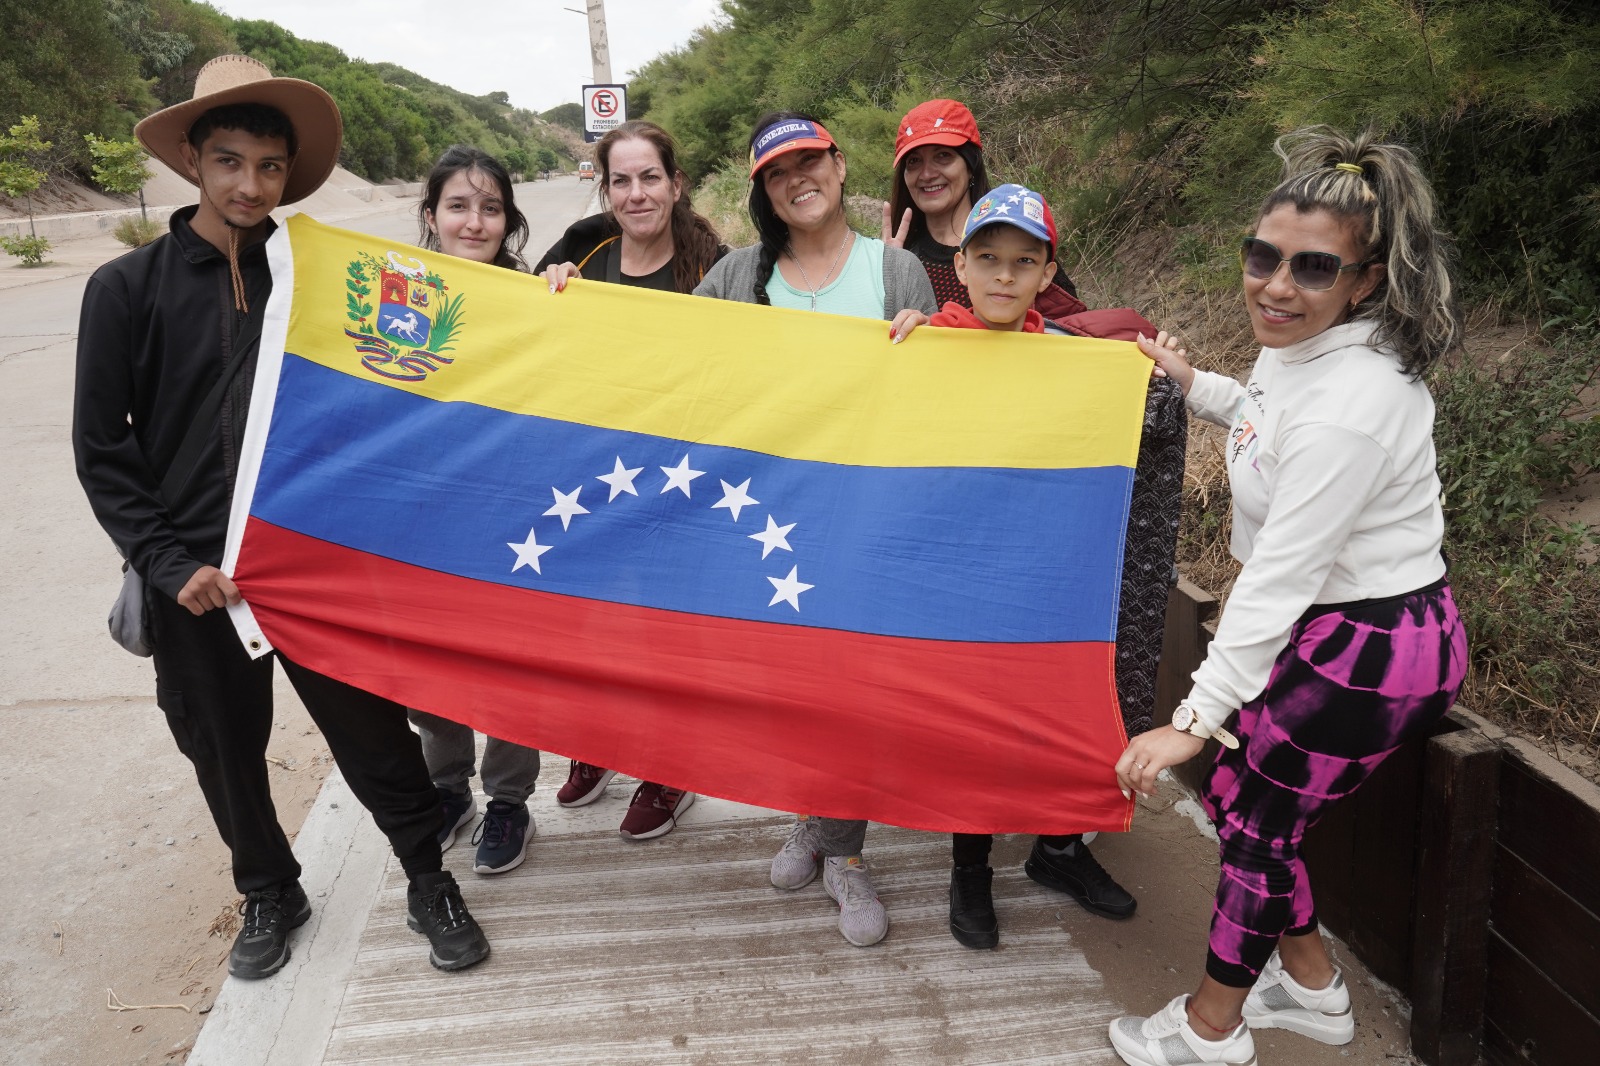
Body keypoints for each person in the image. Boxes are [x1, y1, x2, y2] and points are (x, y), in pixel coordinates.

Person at [73, 55, 490, 978]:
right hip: (192, 574)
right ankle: (269, 888)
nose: (250, 186)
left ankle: (427, 875)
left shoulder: (320, 277)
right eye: (229, 162)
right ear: (192, 160)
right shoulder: (125, 290)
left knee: (375, 729)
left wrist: (537, 302)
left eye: (268, 167)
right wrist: (166, 562)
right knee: (221, 747)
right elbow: (103, 451)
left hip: (310, 560)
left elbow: (443, 342)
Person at [1107, 127, 1469, 1066]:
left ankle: (1210, 1030)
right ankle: (1311, 987)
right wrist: (1199, 387)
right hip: (1342, 630)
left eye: (1313, 268)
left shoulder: (1358, 403)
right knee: (1243, 805)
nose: (1275, 285)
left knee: (1256, 823)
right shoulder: (1307, 349)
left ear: (1367, 280)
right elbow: (1271, 409)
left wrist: (1191, 717)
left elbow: (1280, 577)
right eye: (1262, 255)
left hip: (1371, 644)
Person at [891, 184, 1182, 949]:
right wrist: (908, 340)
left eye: (1023, 263)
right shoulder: (927, 342)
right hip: (960, 576)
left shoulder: (1068, 356)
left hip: (1043, 577)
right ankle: (970, 869)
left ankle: (1059, 850)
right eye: (987, 259)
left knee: (1058, 709)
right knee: (973, 731)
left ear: (1046, 271)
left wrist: (1157, 383)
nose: (1003, 276)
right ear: (961, 263)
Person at [695, 111, 938, 948]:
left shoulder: (896, 268)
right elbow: (658, 353)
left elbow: (942, 391)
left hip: (868, 519)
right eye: (776, 172)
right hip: (766, 520)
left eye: (810, 162)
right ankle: (814, 819)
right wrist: (559, 296)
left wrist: (929, 343)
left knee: (854, 691)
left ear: (839, 168)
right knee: (791, 688)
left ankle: (846, 853)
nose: (798, 179)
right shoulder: (734, 276)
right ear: (762, 190)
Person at [537, 120, 728, 840]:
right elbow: (529, 338)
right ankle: (604, 743)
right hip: (595, 473)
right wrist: (548, 294)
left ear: (676, 184)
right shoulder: (581, 253)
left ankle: (670, 767)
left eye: (650, 177)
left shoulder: (720, 268)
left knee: (668, 629)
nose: (636, 193)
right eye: (621, 179)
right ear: (604, 186)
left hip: (683, 480)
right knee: (594, 621)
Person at [406, 146, 542, 875]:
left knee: (512, 665)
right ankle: (447, 788)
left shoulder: (536, 299)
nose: (474, 221)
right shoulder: (401, 296)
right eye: (458, 206)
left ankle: (510, 802)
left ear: (508, 220)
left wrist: (564, 296)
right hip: (428, 515)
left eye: (491, 208)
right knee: (433, 664)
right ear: (431, 217)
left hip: (515, 513)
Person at [884, 99, 1081, 319]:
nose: (927, 173)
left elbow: (1069, 332)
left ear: (971, 166)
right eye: (913, 161)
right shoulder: (897, 255)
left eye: (943, 156)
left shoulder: (1019, 237)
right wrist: (890, 277)